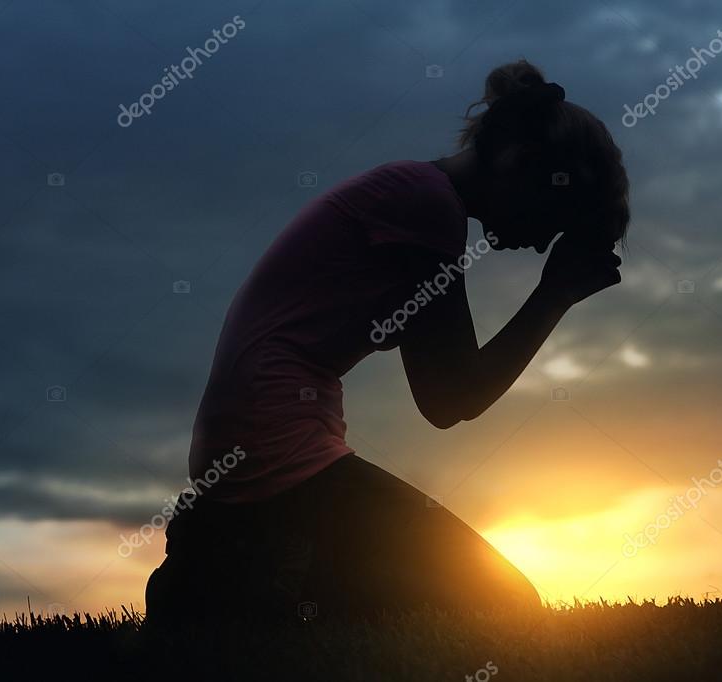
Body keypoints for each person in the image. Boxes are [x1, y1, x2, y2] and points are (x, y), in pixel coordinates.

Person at [144, 59, 630, 630]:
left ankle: (223, 568)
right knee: (505, 610)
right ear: (517, 163)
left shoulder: (412, 194)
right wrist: (555, 292)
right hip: (277, 448)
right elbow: (451, 399)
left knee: (397, 604)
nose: (544, 239)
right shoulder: (424, 204)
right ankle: (236, 574)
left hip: (264, 444)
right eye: (555, 215)